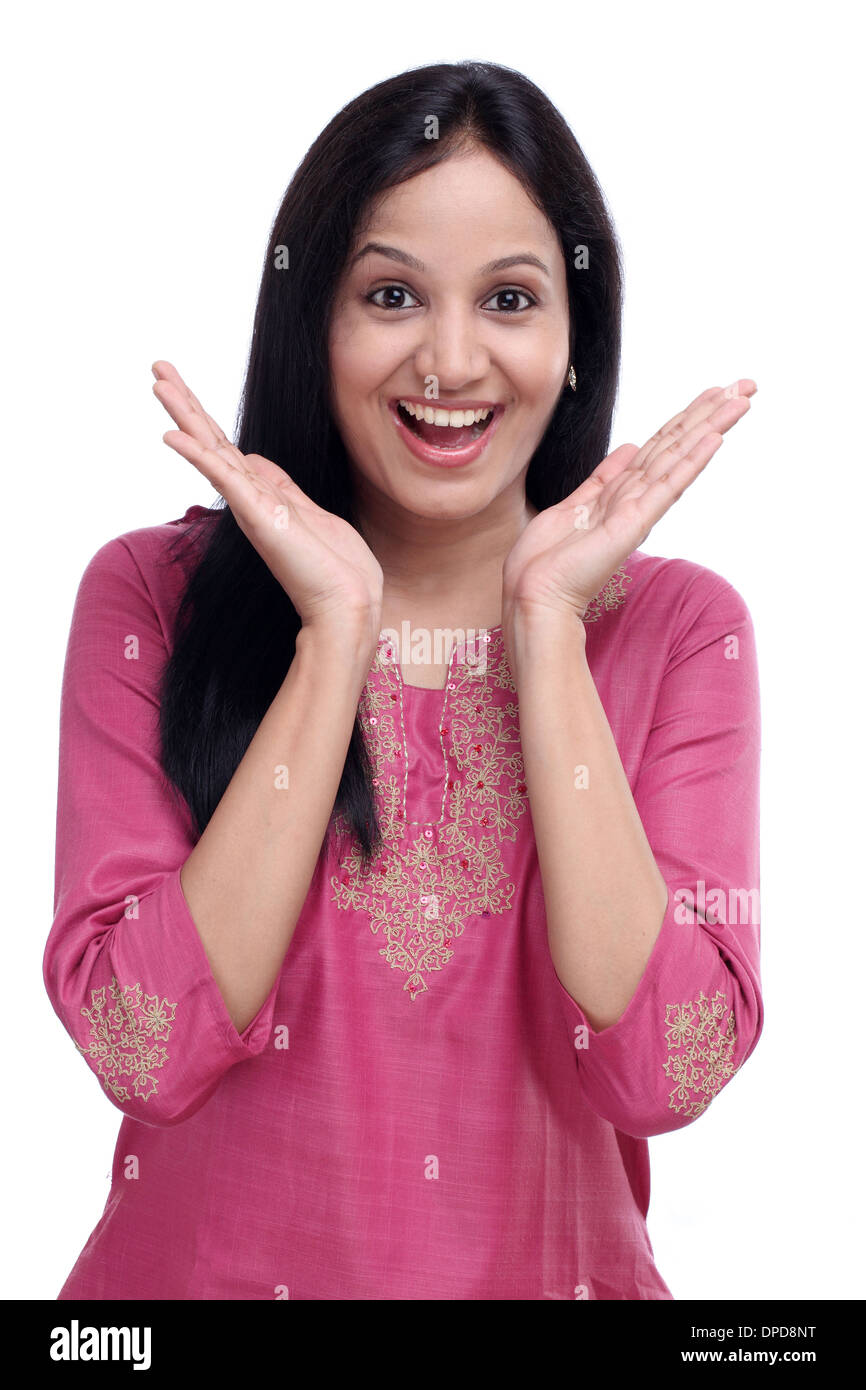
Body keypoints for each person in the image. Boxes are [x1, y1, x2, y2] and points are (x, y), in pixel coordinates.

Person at [44, 60, 761, 1300]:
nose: (447, 358)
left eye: (508, 300)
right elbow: (137, 1047)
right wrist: (334, 632)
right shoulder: (149, 602)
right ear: (311, 320)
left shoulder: (680, 632)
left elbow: (666, 1073)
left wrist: (546, 627)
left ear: (576, 341)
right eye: (389, 294)